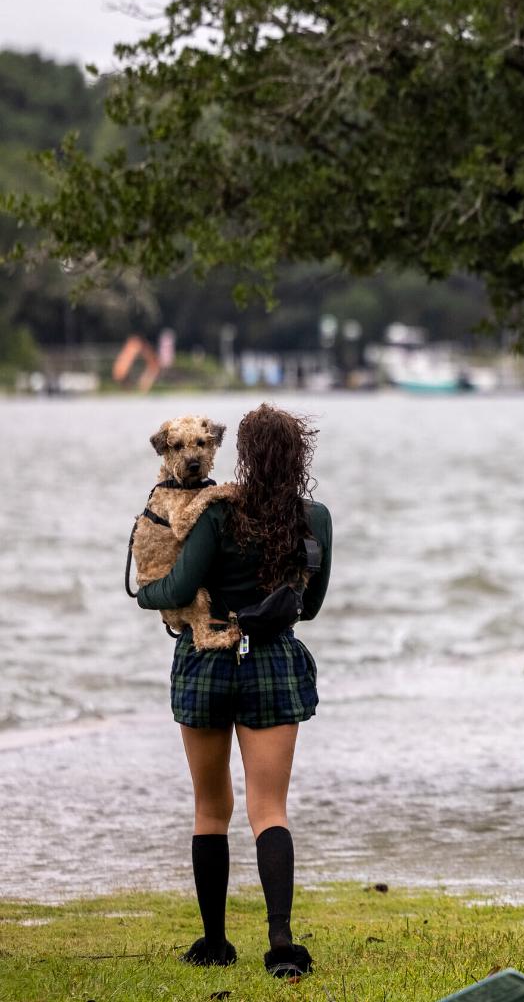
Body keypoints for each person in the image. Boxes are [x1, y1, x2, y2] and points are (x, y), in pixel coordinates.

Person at [138, 403, 333, 978]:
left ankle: (215, 943)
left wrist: (144, 596)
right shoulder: (315, 517)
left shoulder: (218, 513)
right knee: (268, 808)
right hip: (272, 660)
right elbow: (312, 607)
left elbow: (177, 584)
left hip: (206, 659)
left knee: (210, 807)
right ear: (300, 456)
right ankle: (280, 946)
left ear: (242, 454)